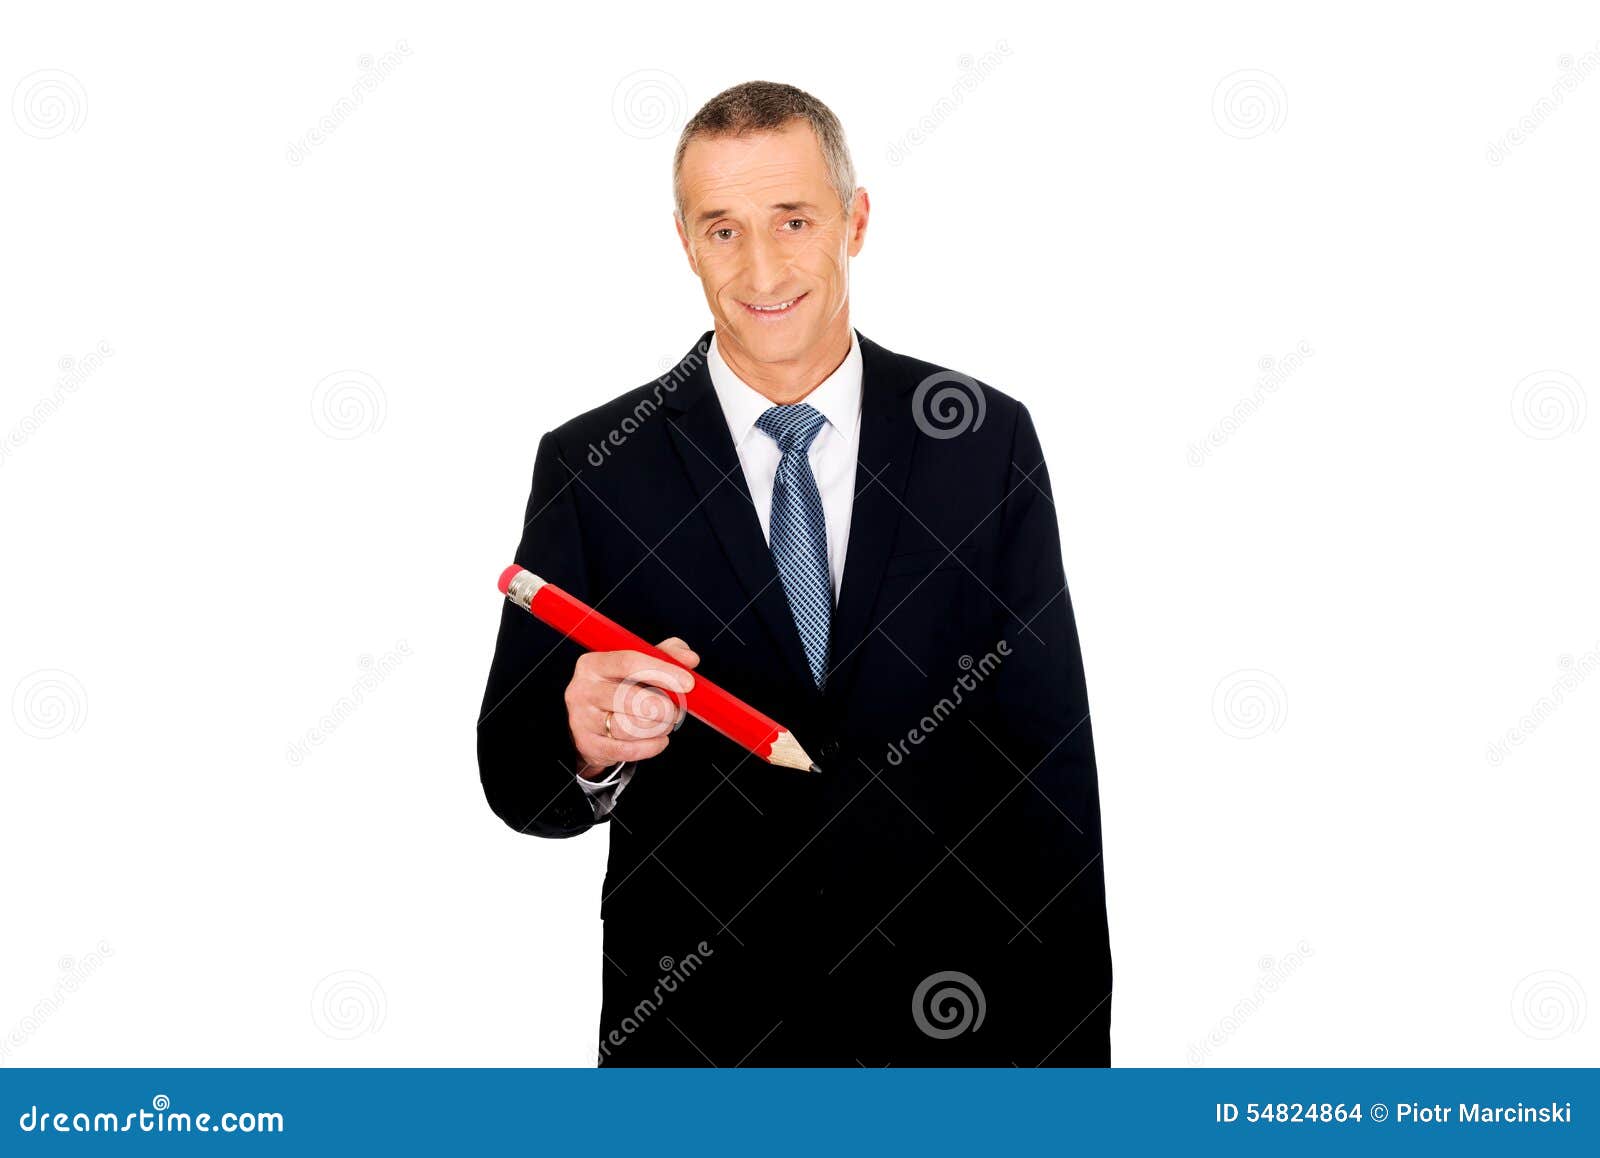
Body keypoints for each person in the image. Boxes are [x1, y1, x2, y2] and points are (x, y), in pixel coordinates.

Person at [477, 80, 1111, 1065]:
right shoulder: (595, 461)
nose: (761, 266)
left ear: (855, 221)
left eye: (793, 219)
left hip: (946, 1041)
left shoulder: (980, 439)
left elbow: (1048, 776)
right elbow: (515, 775)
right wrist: (584, 738)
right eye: (722, 230)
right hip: (696, 1045)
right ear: (683, 242)